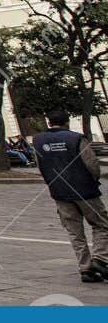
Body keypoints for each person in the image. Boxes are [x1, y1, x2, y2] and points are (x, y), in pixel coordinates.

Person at [32, 110, 108, 283]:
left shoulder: (38, 140)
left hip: (59, 192)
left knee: (74, 231)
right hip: (84, 190)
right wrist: (94, 179)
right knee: (101, 224)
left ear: (49, 123)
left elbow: (40, 165)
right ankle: (100, 260)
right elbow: (91, 163)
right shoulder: (76, 138)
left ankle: (85, 268)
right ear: (67, 122)